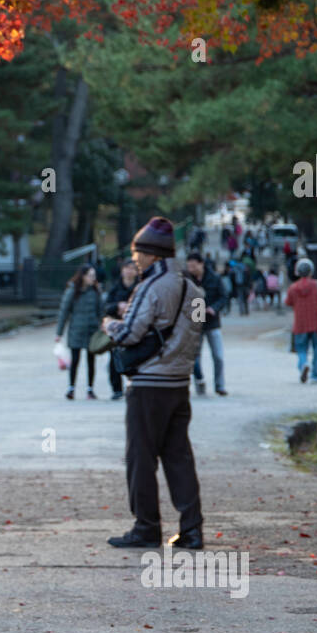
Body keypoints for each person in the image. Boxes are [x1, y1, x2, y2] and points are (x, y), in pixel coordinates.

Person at [101, 216, 205, 549]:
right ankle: (192, 530)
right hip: (179, 382)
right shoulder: (194, 288)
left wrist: (108, 325)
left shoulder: (151, 287)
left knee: (141, 458)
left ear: (154, 255)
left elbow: (131, 332)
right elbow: (197, 330)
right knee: (179, 458)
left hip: (148, 385)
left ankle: (146, 527)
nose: (135, 259)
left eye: (139, 253)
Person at [56, 263, 104, 399]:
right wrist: (59, 333)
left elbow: (101, 311)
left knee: (91, 360)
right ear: (83, 276)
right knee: (75, 360)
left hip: (92, 330)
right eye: (90, 276)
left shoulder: (96, 291)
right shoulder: (72, 291)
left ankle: (90, 389)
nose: (93, 278)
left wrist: (102, 324)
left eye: (94, 276)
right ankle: (71, 388)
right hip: (76, 330)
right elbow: (64, 312)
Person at [185, 251, 227, 395]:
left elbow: (223, 297)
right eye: (189, 266)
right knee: (195, 356)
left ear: (201, 264)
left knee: (218, 356)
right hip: (195, 322)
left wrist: (214, 308)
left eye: (194, 266)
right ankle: (199, 383)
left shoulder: (214, 278)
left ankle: (220, 385)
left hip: (212, 322)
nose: (191, 269)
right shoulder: (187, 279)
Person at [285, 258, 317, 384]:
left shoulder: (293, 287)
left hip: (300, 323)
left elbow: (288, 302)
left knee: (301, 349)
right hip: (316, 323)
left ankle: (304, 364)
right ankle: (315, 375)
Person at [103, 258, 139, 399]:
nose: (129, 271)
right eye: (127, 268)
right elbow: (106, 307)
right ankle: (117, 389)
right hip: (116, 328)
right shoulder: (115, 288)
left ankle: (134, 385)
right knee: (114, 359)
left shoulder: (140, 287)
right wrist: (117, 306)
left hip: (135, 327)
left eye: (132, 268)